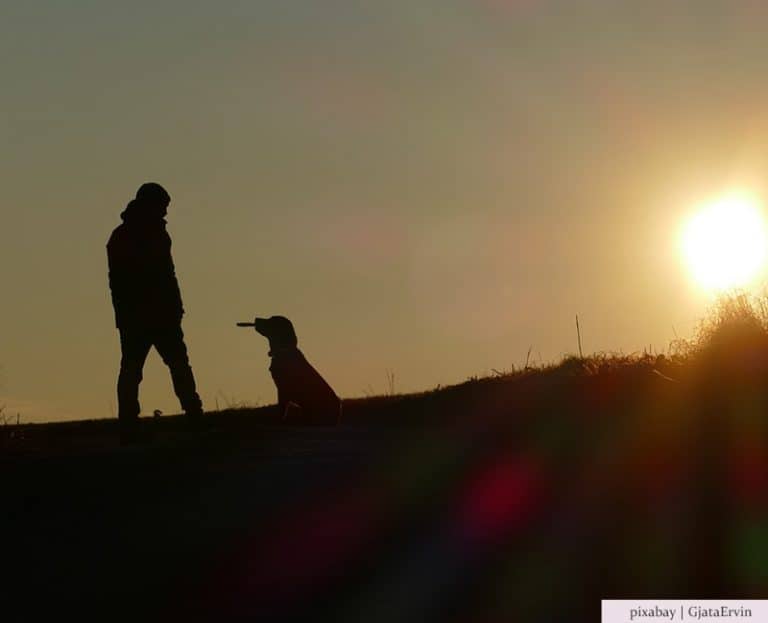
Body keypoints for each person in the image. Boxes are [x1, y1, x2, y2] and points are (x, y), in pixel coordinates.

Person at [107, 182, 203, 442]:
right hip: (143, 315)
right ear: (150, 205)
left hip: (157, 313)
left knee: (170, 364)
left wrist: (176, 305)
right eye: (162, 207)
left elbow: (167, 275)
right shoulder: (126, 237)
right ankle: (130, 422)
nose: (165, 213)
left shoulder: (145, 234)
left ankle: (192, 412)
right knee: (137, 368)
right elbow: (127, 280)